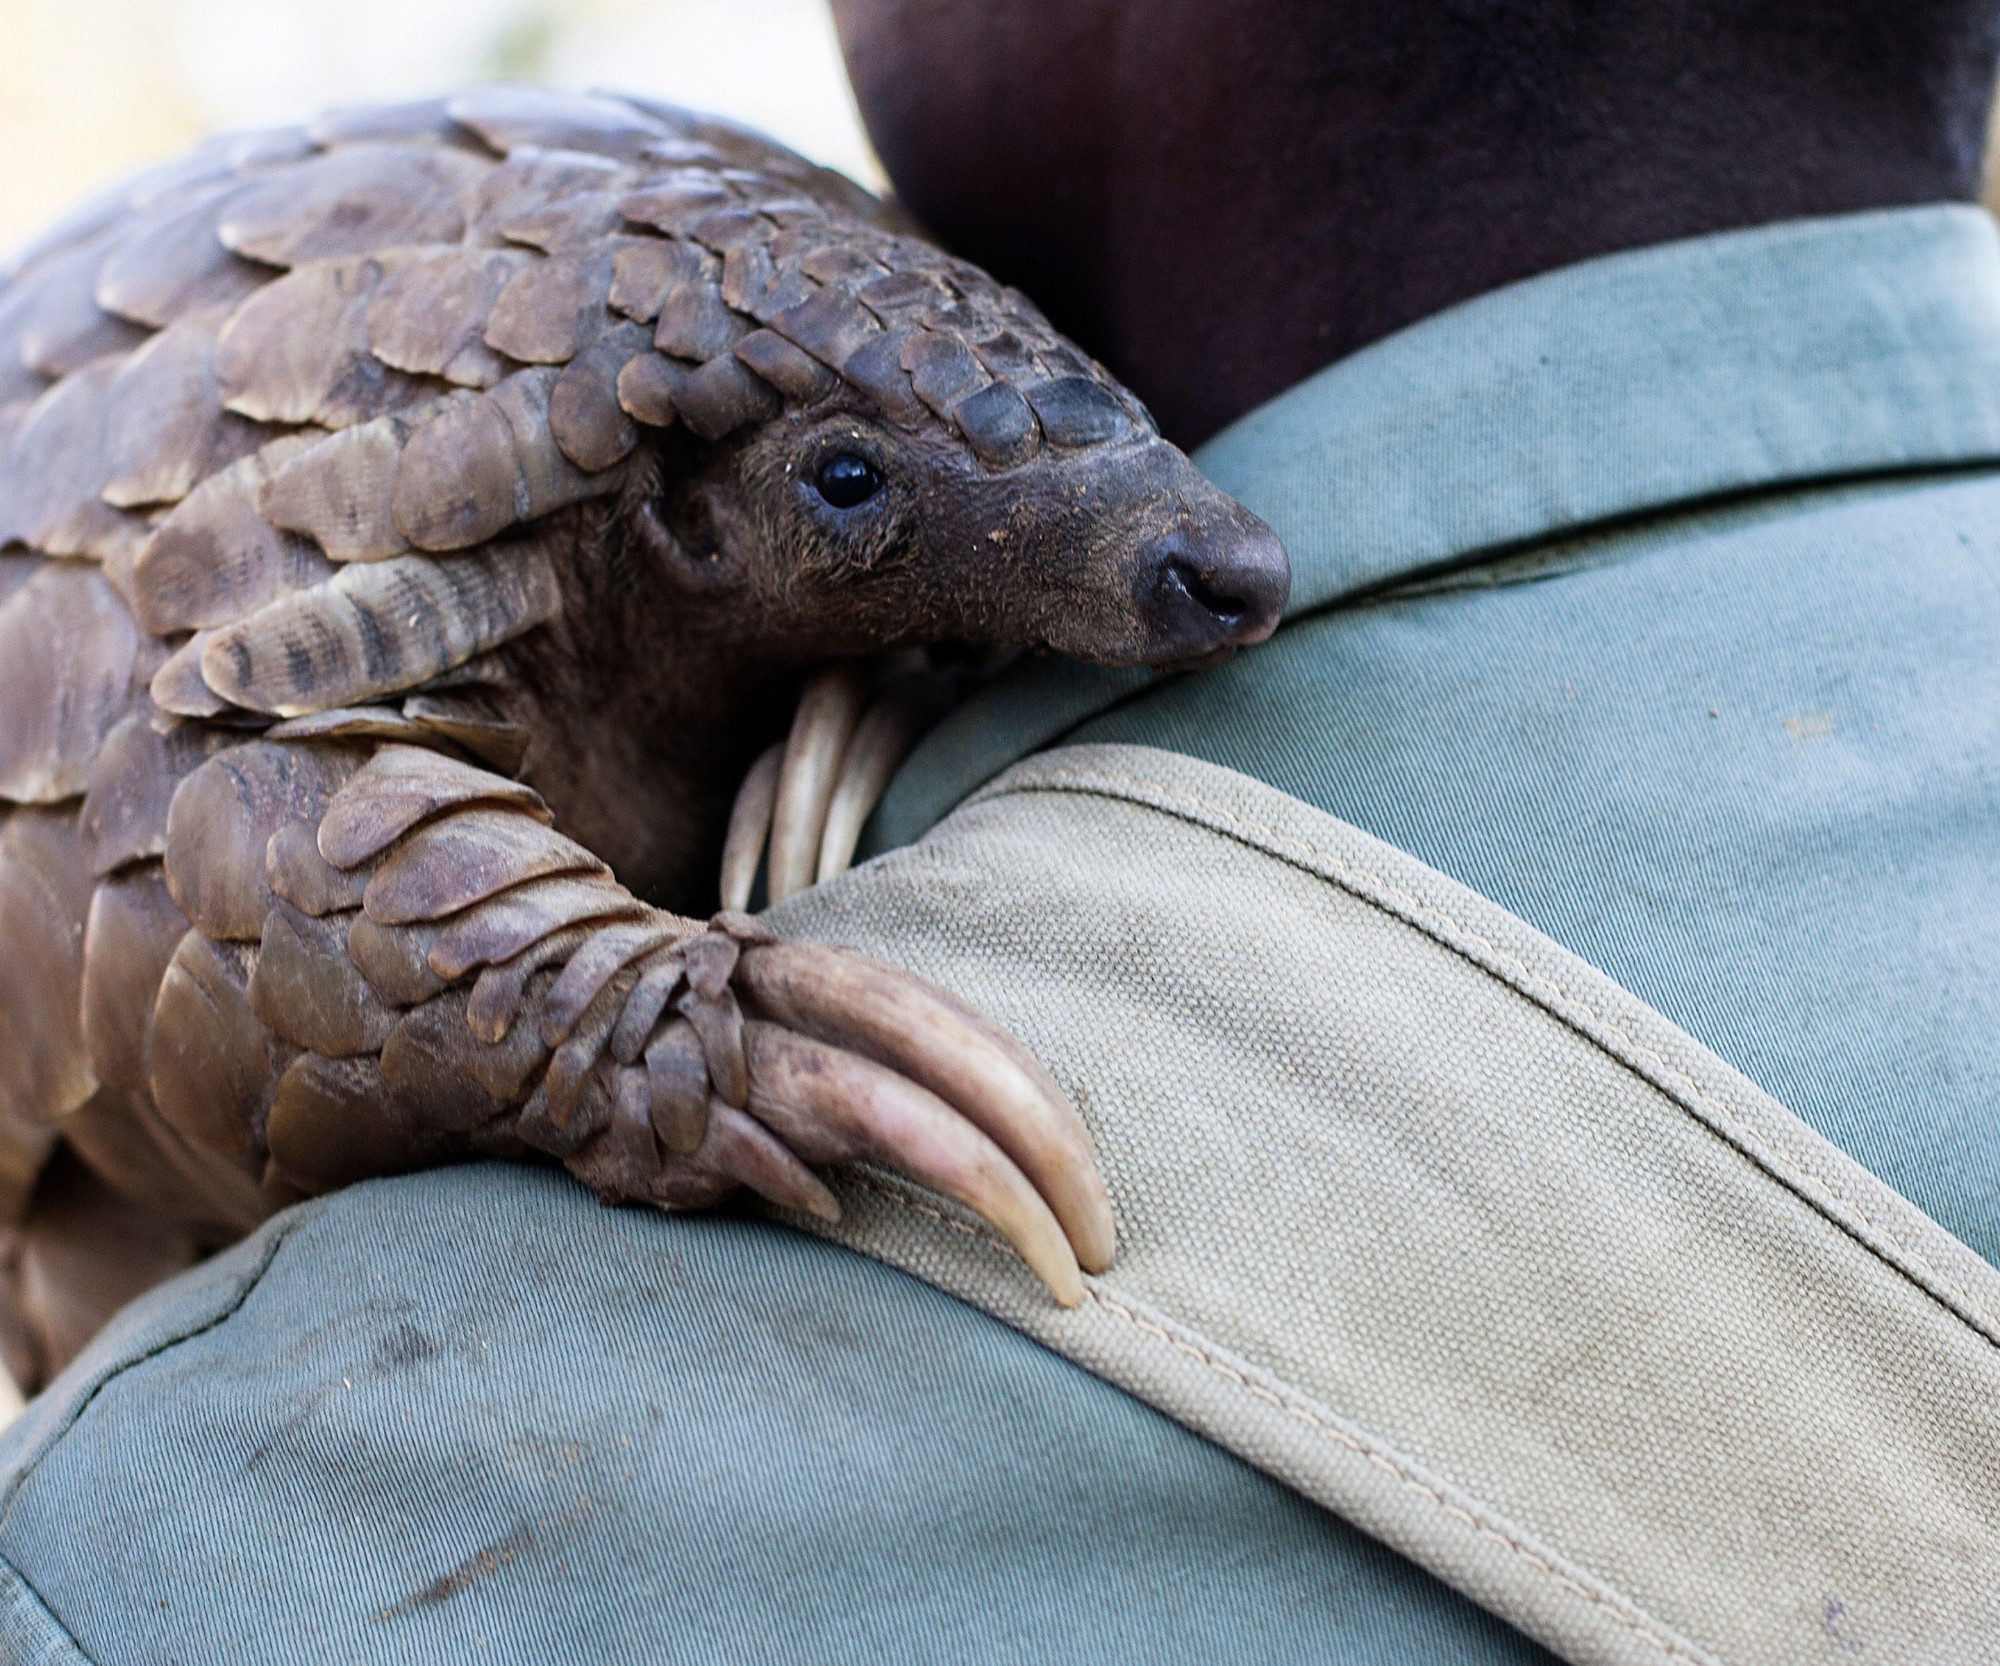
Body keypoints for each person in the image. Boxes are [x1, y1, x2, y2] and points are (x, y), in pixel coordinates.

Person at [4, 2, 2000, 1659]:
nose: (1220, 570)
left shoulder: (201, 1548)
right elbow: (218, 806)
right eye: (853, 489)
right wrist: (608, 1006)